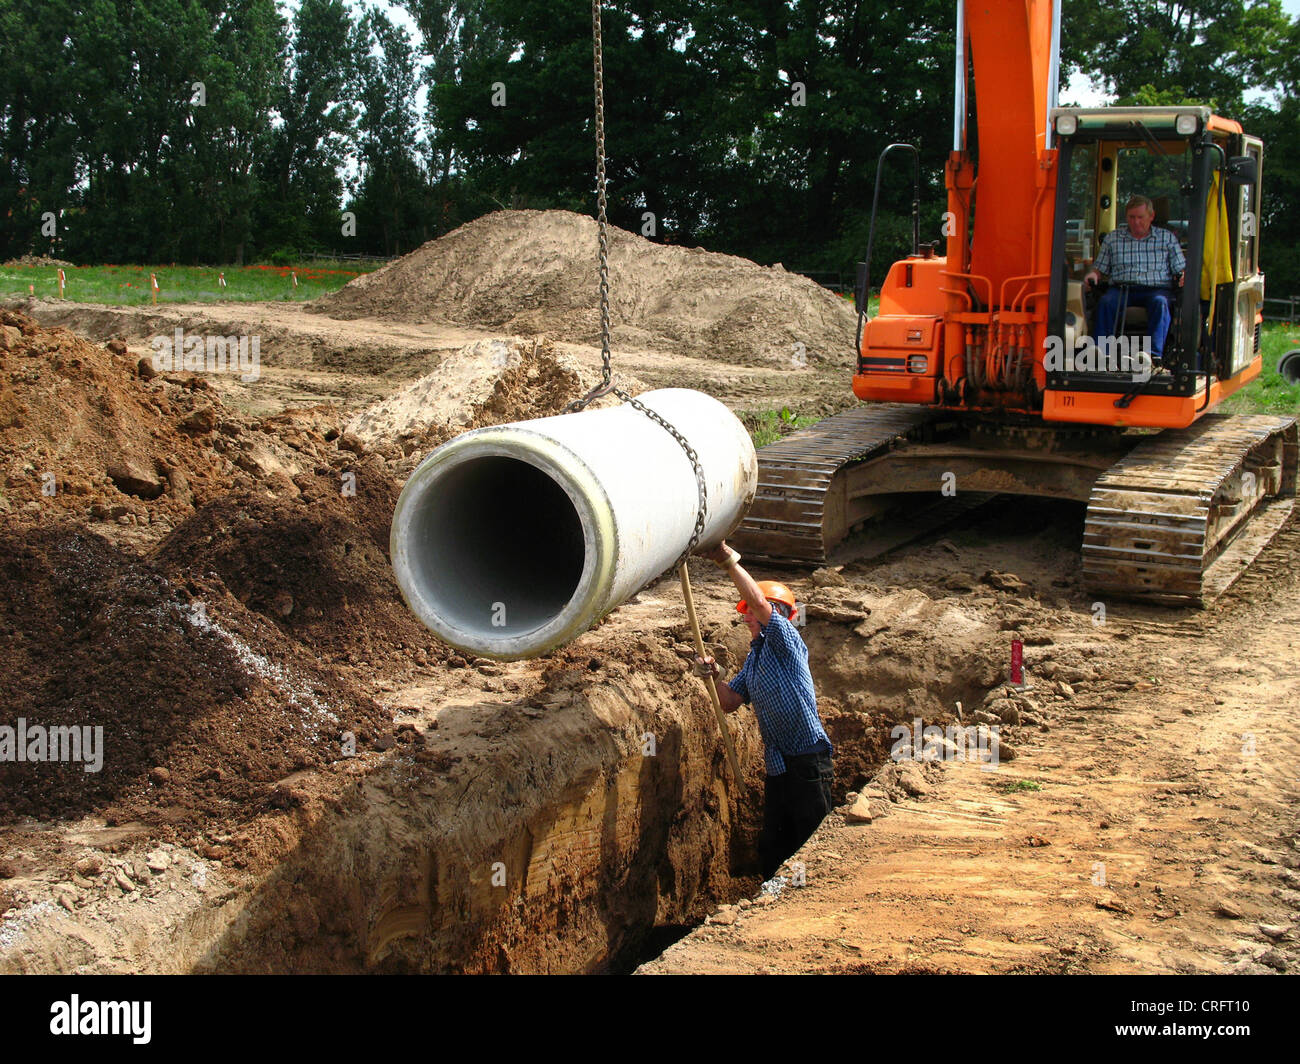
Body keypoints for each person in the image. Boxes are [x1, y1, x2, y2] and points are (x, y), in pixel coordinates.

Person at [693, 540, 834, 880]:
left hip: (807, 761)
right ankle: (772, 902)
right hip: (779, 765)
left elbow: (757, 601)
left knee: (810, 842)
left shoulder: (786, 641)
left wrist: (727, 559)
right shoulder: (754, 661)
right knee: (774, 844)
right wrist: (712, 678)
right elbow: (728, 703)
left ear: (778, 613)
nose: (747, 618)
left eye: (753, 613)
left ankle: (814, 904)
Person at [1084, 194, 1186, 362]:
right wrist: (1092, 275)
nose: (1136, 222)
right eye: (1132, 217)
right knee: (1106, 302)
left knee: (1161, 303)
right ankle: (1101, 353)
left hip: (1156, 289)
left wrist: (1184, 276)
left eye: (1140, 217)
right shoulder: (1113, 238)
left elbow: (1180, 268)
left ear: (1151, 216)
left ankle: (1153, 356)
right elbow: (1099, 268)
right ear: (1126, 216)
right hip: (1122, 288)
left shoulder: (1167, 238)